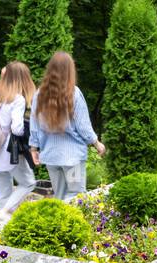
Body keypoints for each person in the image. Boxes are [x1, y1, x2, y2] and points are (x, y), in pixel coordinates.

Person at [29, 51, 105, 201]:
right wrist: (96, 143)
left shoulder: (39, 94)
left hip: (51, 156)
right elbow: (83, 126)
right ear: (70, 70)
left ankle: (60, 224)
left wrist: (33, 148)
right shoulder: (74, 93)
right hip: (72, 159)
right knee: (76, 196)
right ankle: (73, 224)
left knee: (60, 196)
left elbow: (34, 124)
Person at [0, 61, 37, 219]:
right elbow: (17, 128)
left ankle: (0, 222)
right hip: (8, 149)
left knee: (3, 188)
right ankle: (5, 212)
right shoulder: (18, 99)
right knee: (28, 182)